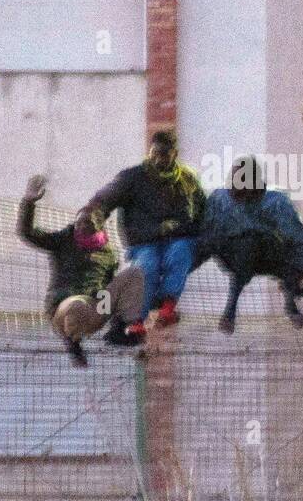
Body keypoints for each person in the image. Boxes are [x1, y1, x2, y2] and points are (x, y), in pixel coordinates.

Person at [86, 129, 207, 336]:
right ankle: (136, 321)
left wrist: (204, 235)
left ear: (174, 154)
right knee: (147, 266)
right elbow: (105, 198)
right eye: (155, 153)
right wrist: (92, 216)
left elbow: (203, 210)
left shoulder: (187, 180)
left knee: (181, 252)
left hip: (177, 239)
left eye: (164, 154)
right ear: (150, 151)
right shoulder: (132, 177)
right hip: (143, 242)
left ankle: (167, 308)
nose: (158, 159)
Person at [15, 173, 144, 367]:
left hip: (96, 307)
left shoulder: (108, 254)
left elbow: (108, 287)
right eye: (79, 223)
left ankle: (121, 330)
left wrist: (112, 307)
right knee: (76, 306)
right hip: (64, 308)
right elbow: (27, 233)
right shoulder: (63, 241)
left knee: (134, 274)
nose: (82, 226)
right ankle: (73, 343)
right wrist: (29, 202)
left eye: (88, 223)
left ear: (100, 226)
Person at [195, 155, 303, 334]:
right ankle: (230, 310)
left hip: (269, 253)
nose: (241, 196)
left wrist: (297, 270)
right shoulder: (220, 200)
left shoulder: (275, 202)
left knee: (263, 242)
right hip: (234, 254)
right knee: (247, 243)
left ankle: (291, 303)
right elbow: (206, 234)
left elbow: (299, 239)